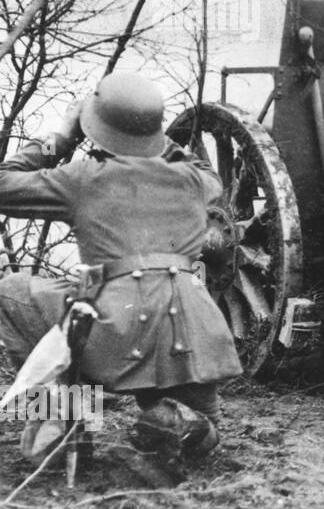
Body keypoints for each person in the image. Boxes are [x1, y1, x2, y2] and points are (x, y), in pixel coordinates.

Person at [0, 73, 242, 461]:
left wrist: (61, 137)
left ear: (95, 126)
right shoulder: (195, 180)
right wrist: (157, 139)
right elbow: (207, 175)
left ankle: (63, 423)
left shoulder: (83, 180)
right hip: (194, 335)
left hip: (119, 331)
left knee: (11, 290)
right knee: (201, 422)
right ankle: (185, 424)